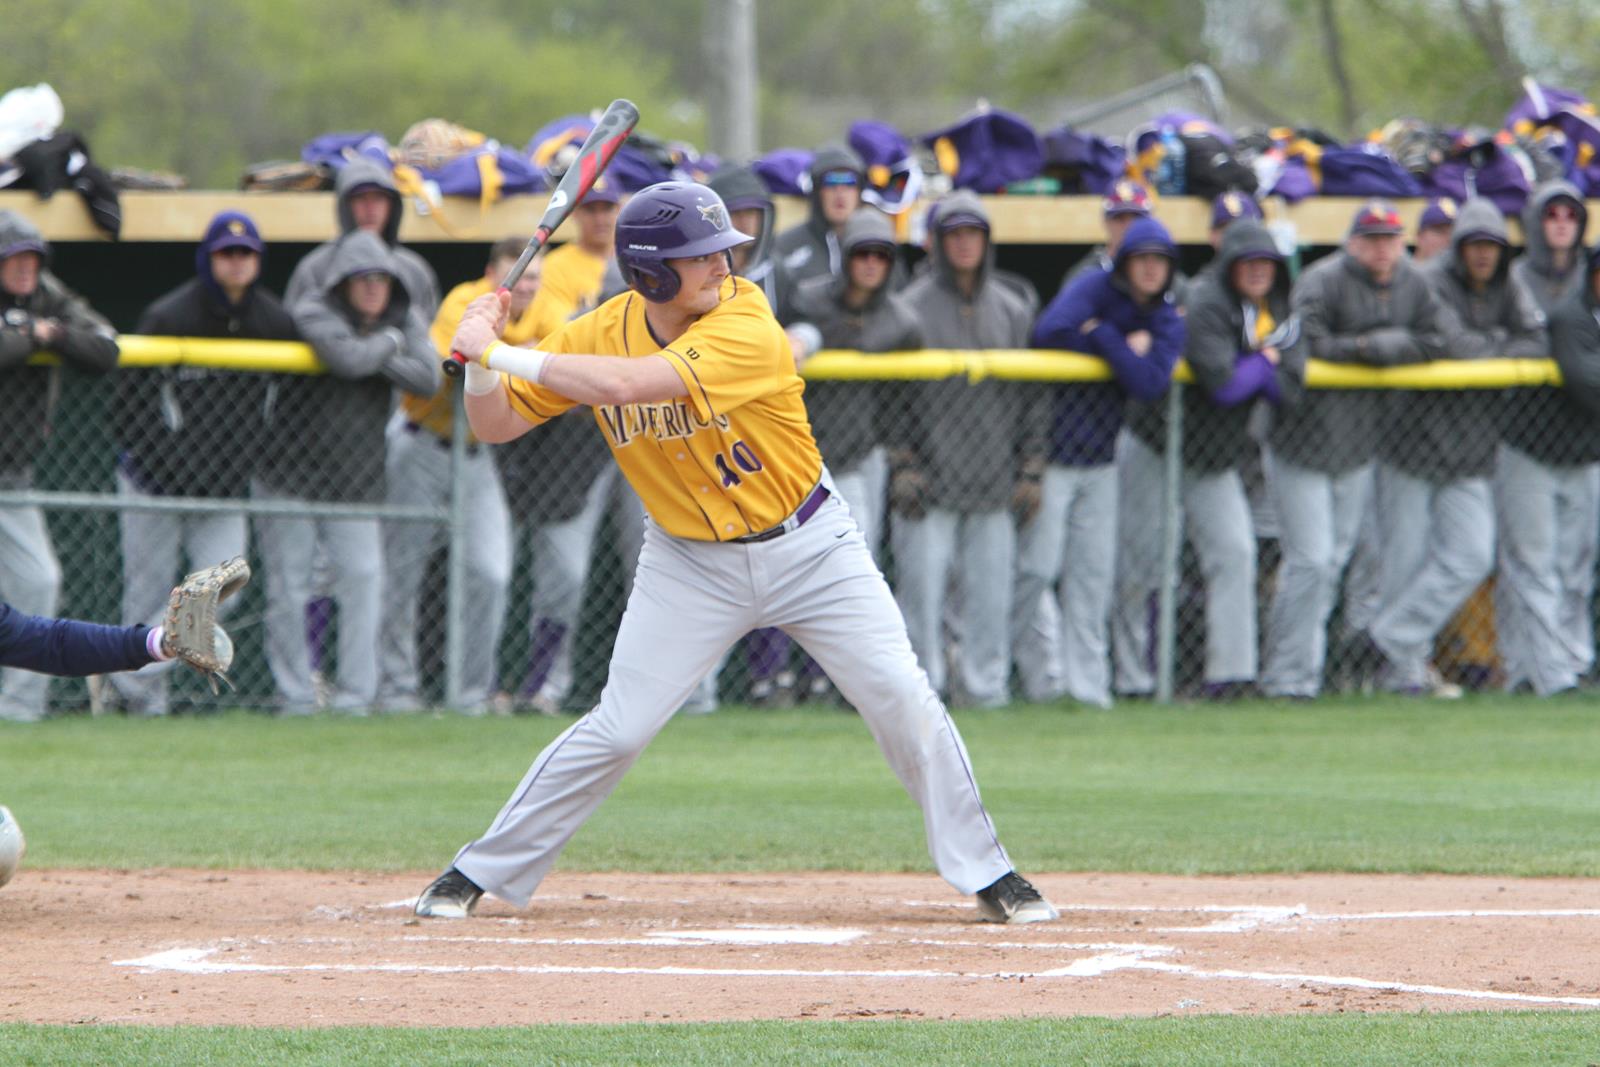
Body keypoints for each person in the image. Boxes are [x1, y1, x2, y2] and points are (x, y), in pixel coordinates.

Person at [413, 181, 1056, 926]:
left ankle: (990, 870)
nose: (725, 265)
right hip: (688, 562)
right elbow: (493, 425)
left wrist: (497, 346)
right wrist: (486, 366)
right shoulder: (597, 331)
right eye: (703, 256)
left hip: (811, 545)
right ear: (652, 273)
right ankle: (480, 868)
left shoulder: (745, 317)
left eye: (724, 252)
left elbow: (626, 384)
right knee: (618, 726)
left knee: (902, 698)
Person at [107, 212, 297, 716]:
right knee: (147, 590)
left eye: (246, 253)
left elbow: (288, 408)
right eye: (226, 253)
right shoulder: (169, 316)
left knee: (222, 593)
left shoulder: (273, 321)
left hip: (223, 489)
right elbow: (129, 407)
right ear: (209, 259)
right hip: (153, 484)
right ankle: (142, 704)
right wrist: (172, 465)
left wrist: (243, 462)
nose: (236, 262)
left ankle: (126, 680)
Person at [1260, 200, 1444, 699]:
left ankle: (1309, 674)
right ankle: (1287, 677)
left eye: (1390, 238)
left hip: (1358, 445)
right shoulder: (1322, 280)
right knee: (1311, 562)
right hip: (1303, 443)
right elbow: (1310, 341)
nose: (1383, 248)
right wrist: (1371, 350)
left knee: (1336, 562)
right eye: (1373, 239)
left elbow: (1437, 339)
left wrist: (1372, 347)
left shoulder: (1413, 282)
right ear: (1353, 242)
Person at [1364, 197, 1545, 697]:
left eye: (1492, 246)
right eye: (1474, 245)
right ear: (1460, 248)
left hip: (1469, 449)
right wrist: (1498, 342)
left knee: (1470, 554)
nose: (1484, 255)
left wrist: (1488, 341)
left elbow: (1537, 341)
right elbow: (1452, 344)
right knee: (1402, 560)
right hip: (1412, 444)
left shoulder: (1510, 284)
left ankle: (1390, 637)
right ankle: (1402, 674)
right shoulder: (1428, 281)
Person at [259, 231, 439, 714]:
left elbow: (430, 377)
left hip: (355, 479)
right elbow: (346, 360)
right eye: (361, 279)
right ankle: (295, 696)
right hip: (289, 473)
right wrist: (390, 345)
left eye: (381, 278)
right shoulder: (315, 308)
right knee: (289, 588)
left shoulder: (403, 316)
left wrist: (382, 345)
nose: (373, 288)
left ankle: (355, 699)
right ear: (341, 283)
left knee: (364, 581)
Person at [1014, 216, 1183, 707]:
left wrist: (1103, 338)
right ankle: (1040, 680)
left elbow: (1150, 383)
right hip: (1054, 455)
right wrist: (1117, 343)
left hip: (1102, 459)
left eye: (1160, 261)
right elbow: (1049, 331)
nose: (1151, 270)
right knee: (1038, 570)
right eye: (1142, 260)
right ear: (1125, 263)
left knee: (1091, 578)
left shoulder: (1165, 318)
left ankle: (1087, 690)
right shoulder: (1094, 286)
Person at [891, 192, 1041, 709]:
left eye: (972, 233)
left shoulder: (1013, 306)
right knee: (921, 598)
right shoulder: (908, 307)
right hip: (928, 480)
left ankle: (986, 692)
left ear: (987, 241)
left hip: (994, 478)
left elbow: (1033, 396)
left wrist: (1032, 468)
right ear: (935, 242)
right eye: (952, 234)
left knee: (990, 600)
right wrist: (901, 464)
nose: (963, 244)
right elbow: (890, 398)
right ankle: (920, 696)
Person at [377, 238, 537, 714]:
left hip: (475, 454)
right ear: (493, 275)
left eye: (533, 277)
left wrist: (517, 354)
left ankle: (470, 694)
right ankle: (396, 688)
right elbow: (456, 361)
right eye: (517, 275)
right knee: (400, 573)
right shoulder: (465, 299)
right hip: (422, 442)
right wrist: (516, 354)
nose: (526, 285)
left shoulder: (544, 309)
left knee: (492, 572)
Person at [785, 210, 922, 704]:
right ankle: (788, 676)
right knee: (792, 569)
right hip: (796, 456)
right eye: (861, 253)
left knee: (854, 566)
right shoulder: (810, 300)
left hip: (861, 455)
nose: (870, 263)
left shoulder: (902, 320)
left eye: (880, 255)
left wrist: (902, 457)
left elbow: (905, 399)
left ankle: (849, 682)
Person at [1166, 218, 1305, 699]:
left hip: (1215, 456)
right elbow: (1223, 387)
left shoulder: (1277, 306)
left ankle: (1230, 677)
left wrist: (1261, 369)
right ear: (1229, 265)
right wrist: (1264, 363)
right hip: (1157, 444)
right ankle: (1131, 678)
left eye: (1265, 262)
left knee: (1236, 553)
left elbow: (1291, 389)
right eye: (1247, 262)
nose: (1257, 271)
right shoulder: (1208, 300)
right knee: (1141, 565)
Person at [0, 210, 120, 723]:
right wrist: (32, 334)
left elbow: (106, 347)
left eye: (33, 258)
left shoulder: (50, 295)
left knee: (40, 581)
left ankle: (19, 711)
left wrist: (48, 333)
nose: (26, 268)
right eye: (14, 259)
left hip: (12, 477)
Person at [1497, 181, 1597, 694]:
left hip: (1583, 445)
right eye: (1551, 214)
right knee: (1531, 563)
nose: (1561, 221)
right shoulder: (1514, 277)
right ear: (1536, 223)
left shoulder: (1589, 279)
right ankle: (1540, 673)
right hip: (1528, 440)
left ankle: (1572, 663)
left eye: (1570, 214)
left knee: (1576, 567)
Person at [285, 159, 439, 317]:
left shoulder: (415, 271)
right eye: (360, 198)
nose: (370, 208)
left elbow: (428, 335)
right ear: (344, 206)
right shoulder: (314, 269)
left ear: (392, 205)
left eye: (378, 199)